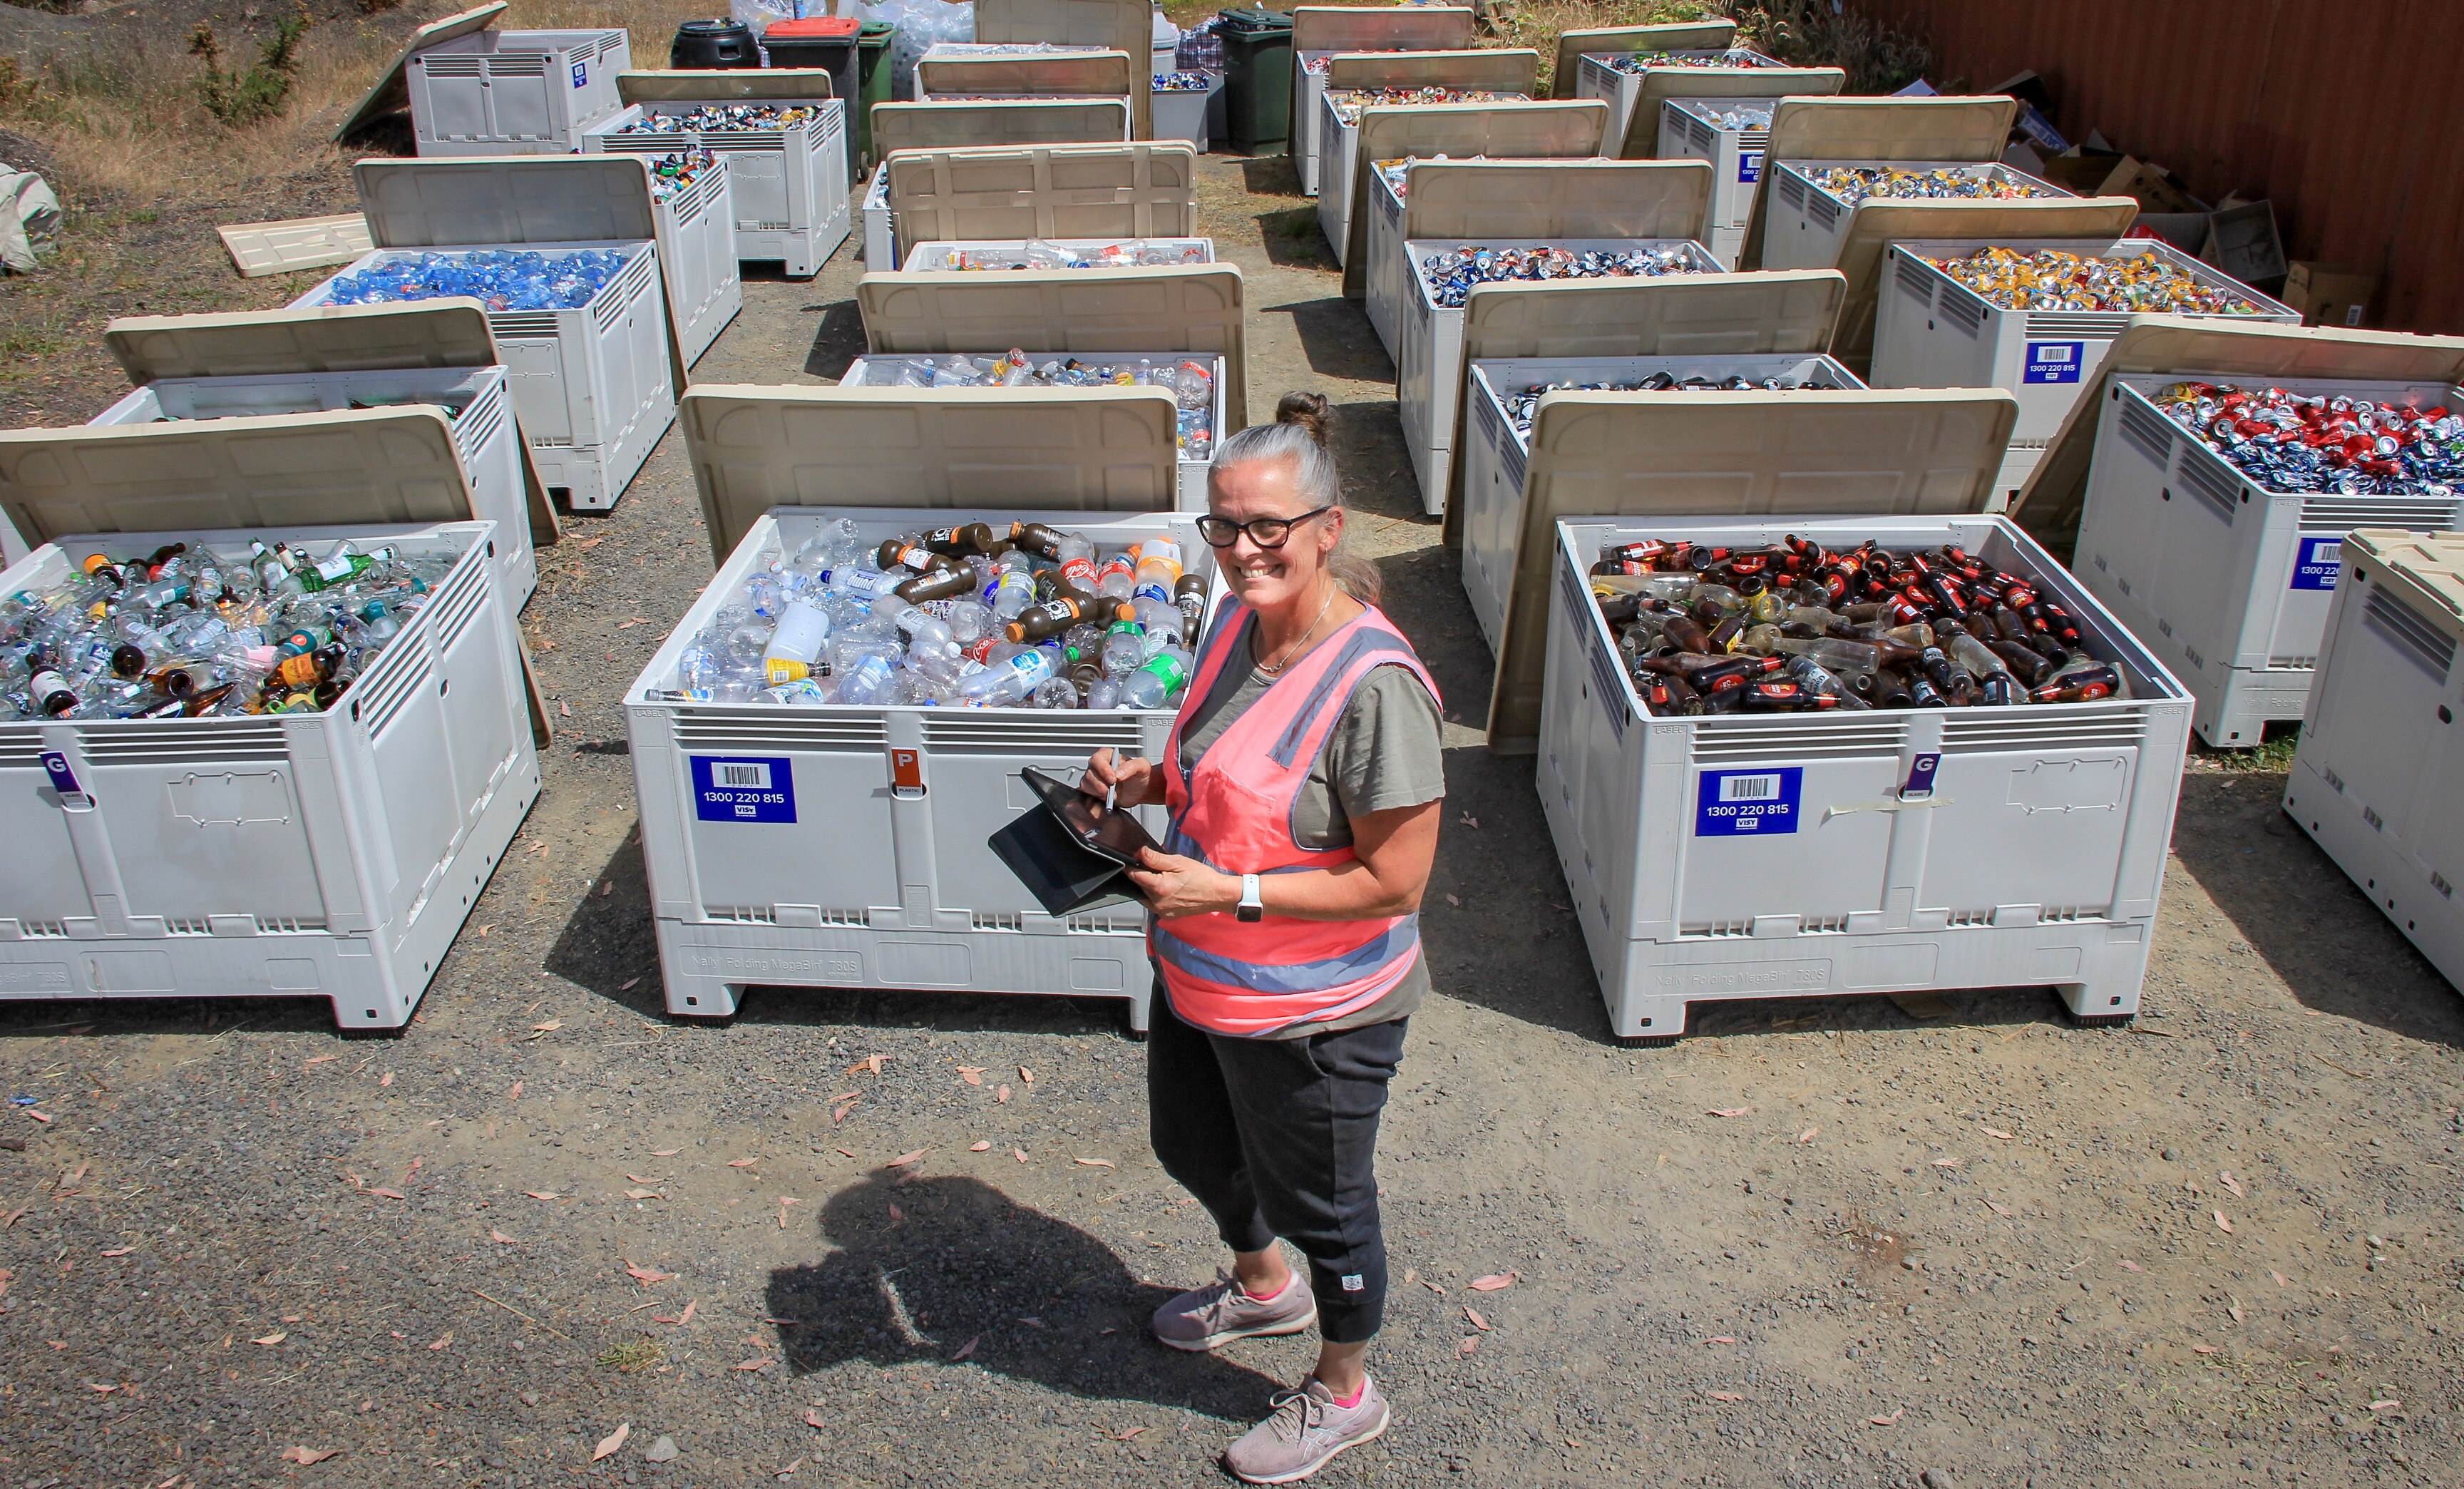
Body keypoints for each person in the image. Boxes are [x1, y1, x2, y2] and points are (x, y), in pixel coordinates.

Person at [1082, 393, 1445, 1484]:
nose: (1243, 551)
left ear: (1327, 529)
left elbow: (1394, 881)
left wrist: (1230, 892)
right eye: (1225, 525)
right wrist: (1146, 783)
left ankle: (1346, 1388)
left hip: (1316, 1012)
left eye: (1268, 528)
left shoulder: (1377, 689)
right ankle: (1262, 1286)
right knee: (1193, 1147)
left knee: (1324, 1208)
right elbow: (1228, 770)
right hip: (1203, 977)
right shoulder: (1239, 624)